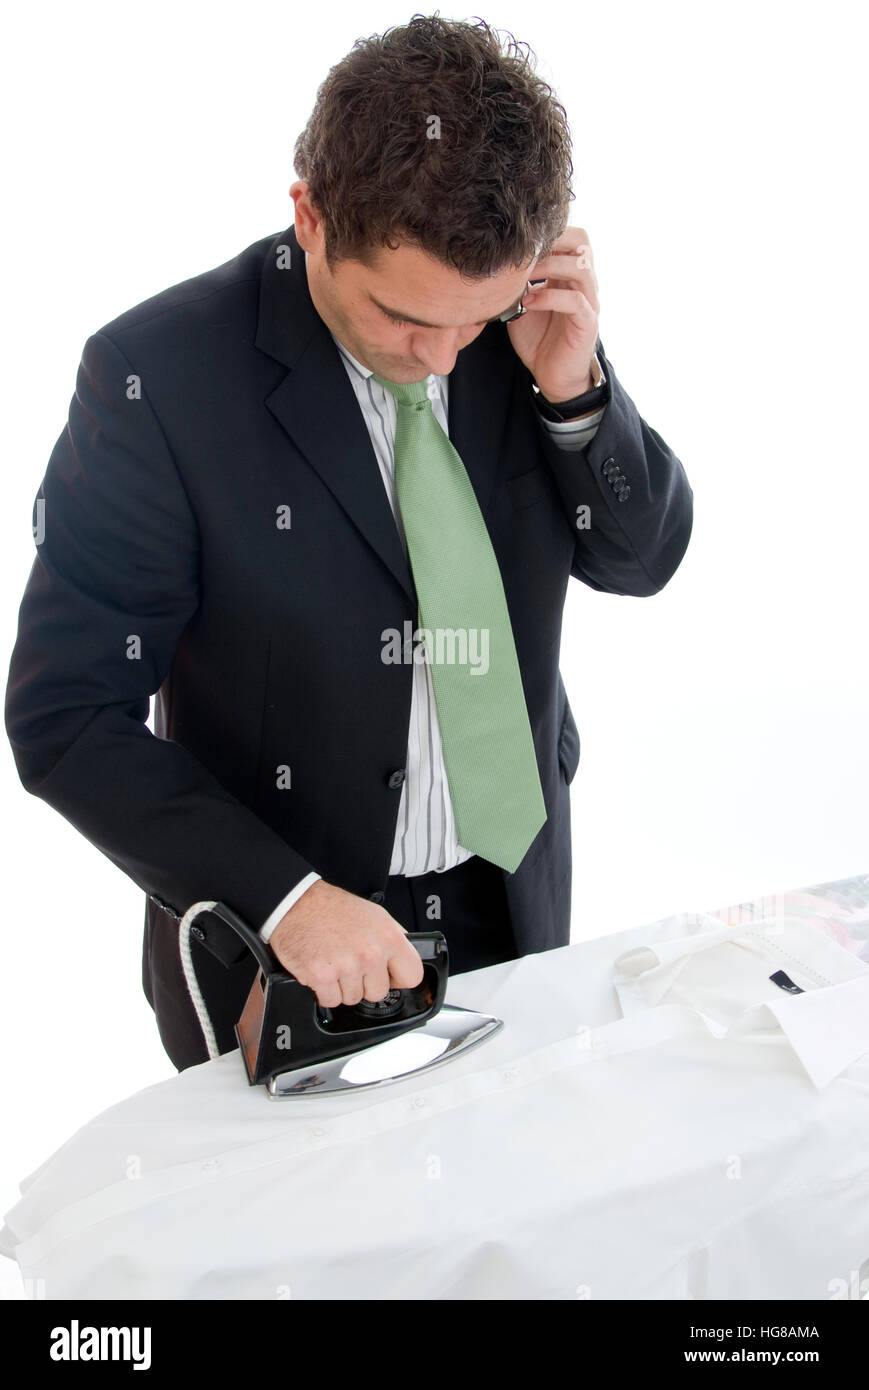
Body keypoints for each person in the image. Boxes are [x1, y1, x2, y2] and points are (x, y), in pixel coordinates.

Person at [4, 15, 693, 1071]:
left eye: (476, 317)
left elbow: (638, 560)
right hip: (280, 942)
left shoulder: (511, 320)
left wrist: (574, 392)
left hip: (511, 894)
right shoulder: (157, 382)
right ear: (311, 217)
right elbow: (65, 713)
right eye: (405, 320)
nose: (443, 356)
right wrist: (278, 900)